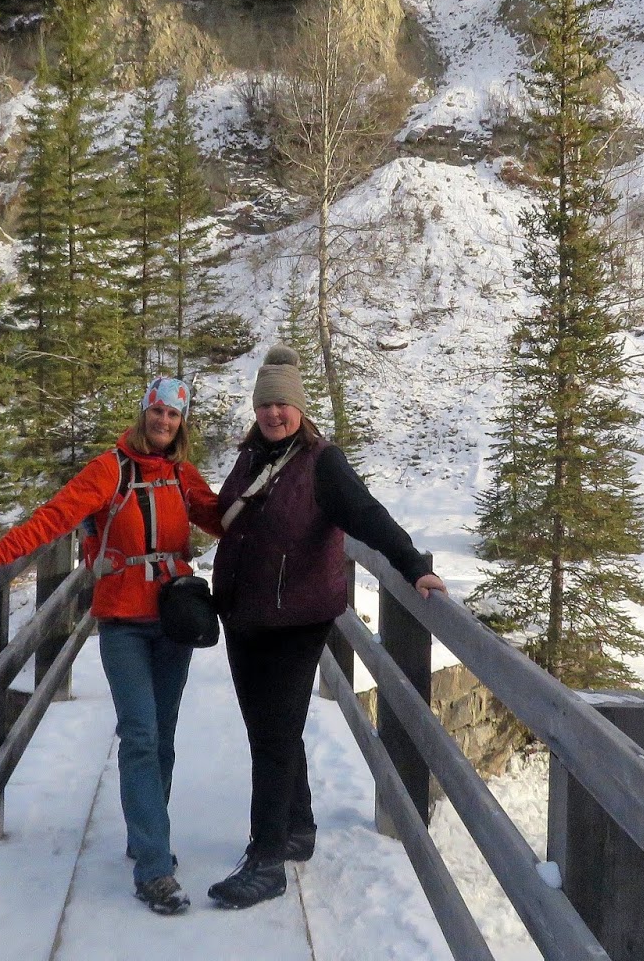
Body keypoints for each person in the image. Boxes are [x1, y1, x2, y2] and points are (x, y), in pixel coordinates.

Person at [0, 377, 221, 916]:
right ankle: (154, 869)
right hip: (122, 622)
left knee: (162, 736)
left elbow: (225, 519)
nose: (164, 422)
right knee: (140, 734)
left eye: (174, 416)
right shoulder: (109, 470)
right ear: (144, 412)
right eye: (157, 411)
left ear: (181, 424)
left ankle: (147, 835)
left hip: (174, 621)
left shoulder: (182, 476)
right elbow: (54, 518)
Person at [206, 345, 447, 910]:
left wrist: (415, 567)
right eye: (266, 405)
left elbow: (368, 515)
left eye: (283, 405)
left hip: (298, 620)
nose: (274, 414)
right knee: (269, 729)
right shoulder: (248, 457)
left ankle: (266, 860)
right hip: (245, 617)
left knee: (273, 734)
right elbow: (224, 518)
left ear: (300, 407)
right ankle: (297, 826)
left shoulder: (322, 462)